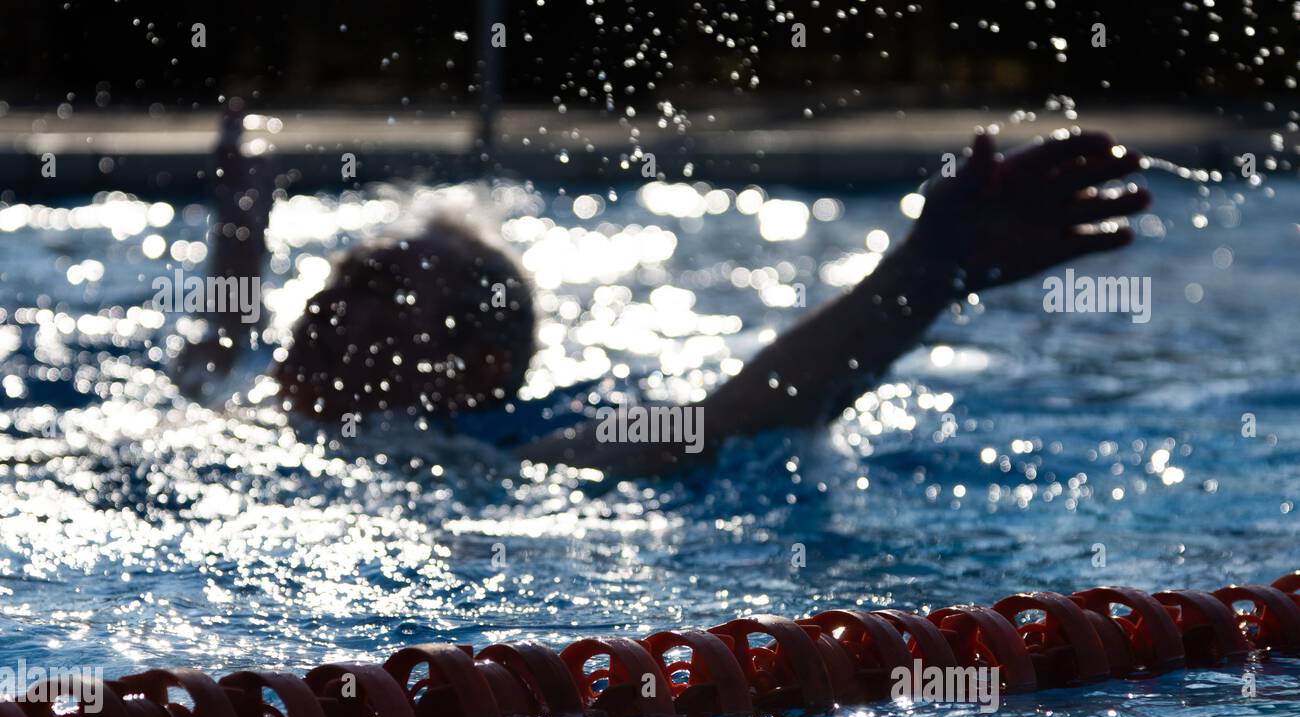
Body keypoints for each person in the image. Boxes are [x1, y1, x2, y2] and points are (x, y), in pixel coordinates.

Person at [172, 107, 1150, 475]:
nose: (332, 292)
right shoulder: (258, 403)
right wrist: (240, 238)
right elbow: (211, 356)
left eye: (376, 280)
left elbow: (719, 419)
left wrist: (925, 273)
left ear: (468, 366)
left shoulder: (508, 453)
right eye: (343, 269)